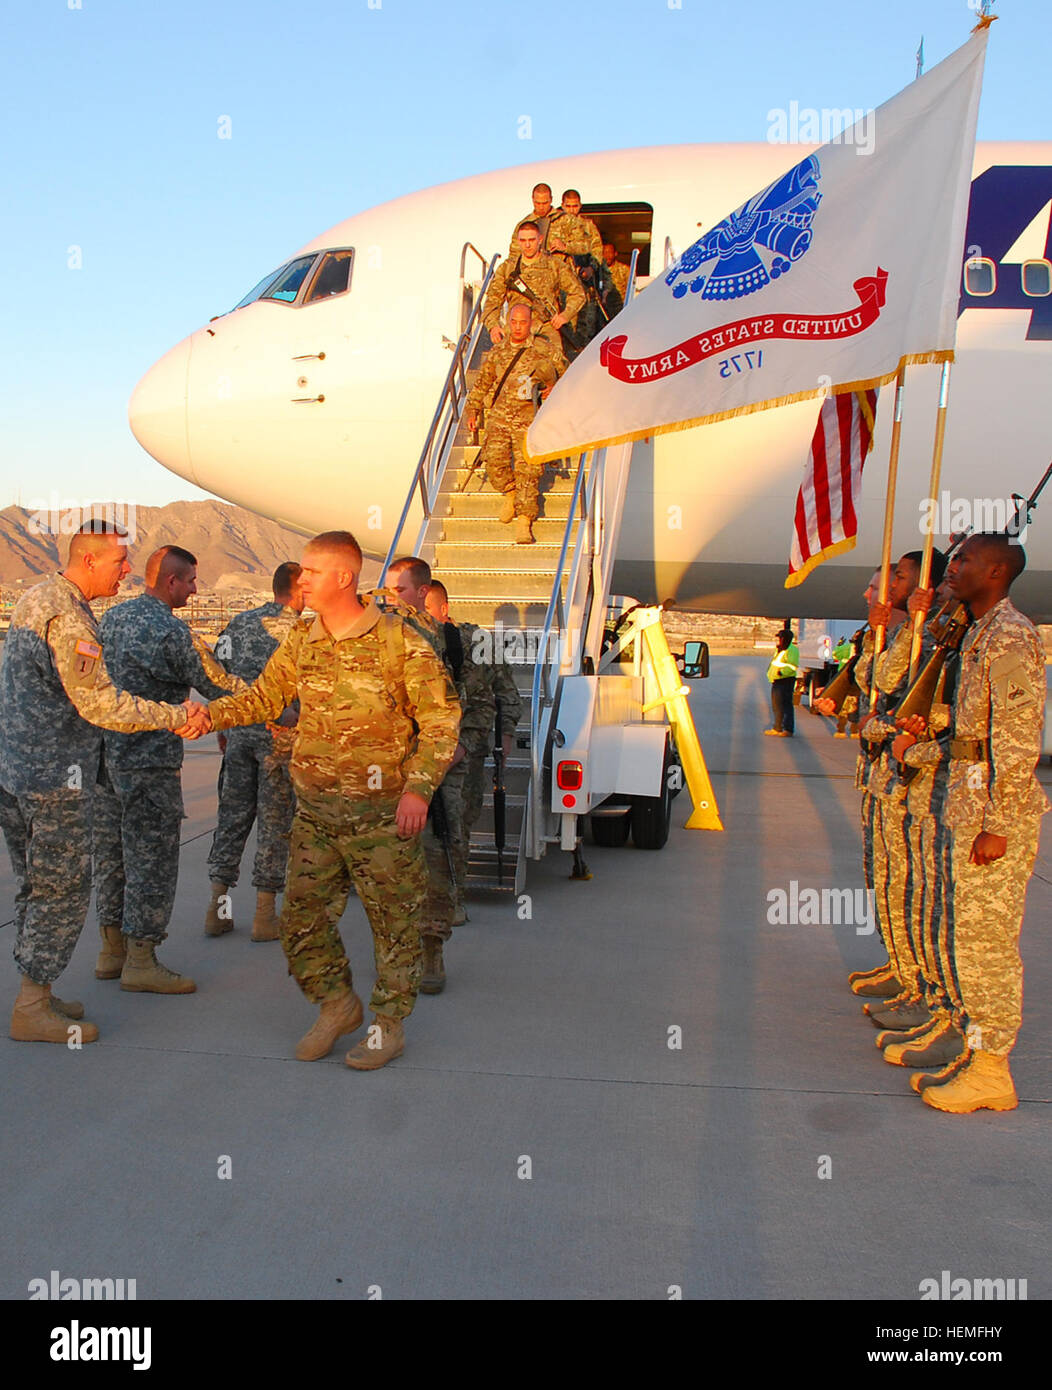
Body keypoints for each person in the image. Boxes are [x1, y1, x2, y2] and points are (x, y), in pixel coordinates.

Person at [188, 531, 461, 1070]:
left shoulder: (399, 642)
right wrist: (208, 716)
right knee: (301, 920)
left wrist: (418, 789)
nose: (301, 580)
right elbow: (266, 696)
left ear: (343, 577)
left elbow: (441, 723)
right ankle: (337, 1005)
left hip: (384, 816)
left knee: (394, 924)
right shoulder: (302, 639)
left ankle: (388, 1026)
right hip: (315, 813)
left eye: (311, 572)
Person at [0, 523, 200, 1045]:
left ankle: (37, 992)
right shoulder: (69, 615)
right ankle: (31, 1006)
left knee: (36, 887)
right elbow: (100, 703)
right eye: (120, 562)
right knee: (60, 891)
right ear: (88, 561)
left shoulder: (35, 596)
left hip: (17, 773)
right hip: (54, 781)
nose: (129, 570)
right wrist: (175, 715)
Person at [892, 534, 1048, 1113]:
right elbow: (971, 733)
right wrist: (923, 743)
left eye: (963, 561)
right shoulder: (979, 630)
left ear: (998, 570)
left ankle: (992, 1072)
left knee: (988, 950)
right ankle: (973, 1049)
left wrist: (1002, 822)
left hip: (994, 815)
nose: (951, 569)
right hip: (972, 803)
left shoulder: (1009, 635)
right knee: (967, 942)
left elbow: (1016, 737)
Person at [93, 546, 244, 995]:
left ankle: (110, 951)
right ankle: (141, 959)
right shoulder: (172, 632)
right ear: (172, 581)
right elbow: (220, 684)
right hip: (150, 763)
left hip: (104, 761)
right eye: (192, 580)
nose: (196, 589)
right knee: (151, 860)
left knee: (112, 856)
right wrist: (281, 706)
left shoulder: (111, 620)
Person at [205, 562, 306, 941]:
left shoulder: (240, 624)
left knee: (232, 819)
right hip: (279, 739)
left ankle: (217, 909)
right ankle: (265, 915)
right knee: (275, 824)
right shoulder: (301, 632)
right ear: (298, 591)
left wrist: (226, 723)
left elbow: (214, 675)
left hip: (239, 736)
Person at [425, 581, 523, 954]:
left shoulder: (477, 642)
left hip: (469, 751)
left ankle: (450, 901)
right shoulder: (409, 643)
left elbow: (506, 695)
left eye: (427, 610)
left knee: (457, 827)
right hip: (421, 753)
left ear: (444, 608)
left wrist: (506, 737)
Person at [466, 301, 561, 545]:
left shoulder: (542, 349)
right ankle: (510, 492)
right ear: (508, 323)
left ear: (531, 324)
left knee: (528, 470)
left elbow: (565, 372)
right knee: (494, 463)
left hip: (528, 418)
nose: (518, 327)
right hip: (499, 417)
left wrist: (553, 387)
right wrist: (473, 409)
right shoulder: (498, 352)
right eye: (514, 322)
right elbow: (483, 382)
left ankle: (524, 522)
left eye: (523, 322)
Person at [484, 222, 584, 371]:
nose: (527, 245)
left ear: (540, 239)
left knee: (556, 371)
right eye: (523, 241)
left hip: (546, 327)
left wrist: (564, 315)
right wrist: (493, 326)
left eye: (531, 240)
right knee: (505, 374)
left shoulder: (554, 265)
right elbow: (493, 298)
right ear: (518, 241)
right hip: (517, 328)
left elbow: (578, 293)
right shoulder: (508, 268)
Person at [765, 628, 799, 736]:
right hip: (777, 681)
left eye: (780, 638)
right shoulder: (781, 649)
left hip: (785, 680)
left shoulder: (792, 649)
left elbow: (792, 666)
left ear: (784, 639)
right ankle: (777, 727)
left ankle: (788, 729)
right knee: (777, 705)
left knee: (786, 705)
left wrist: (781, 673)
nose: (778, 640)